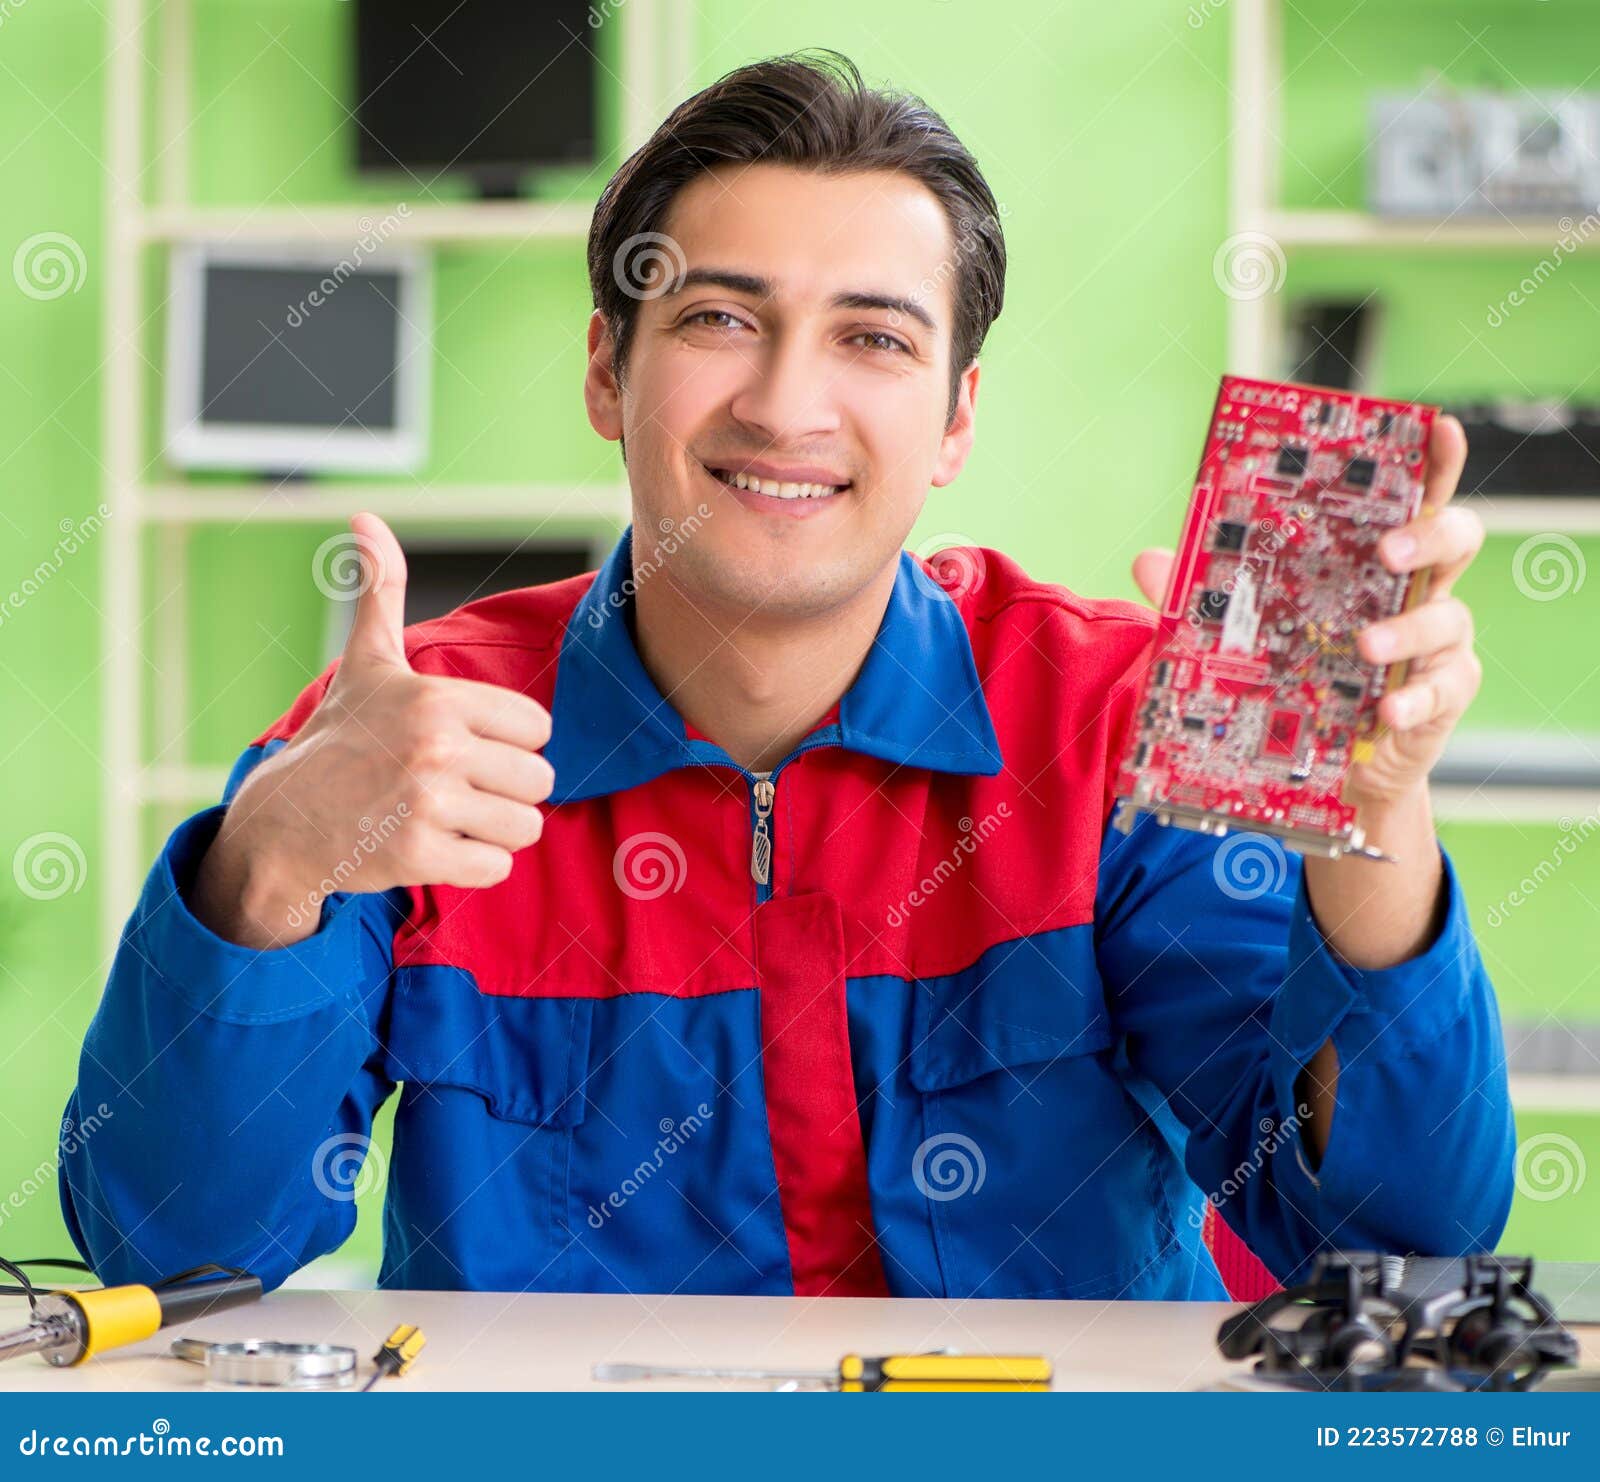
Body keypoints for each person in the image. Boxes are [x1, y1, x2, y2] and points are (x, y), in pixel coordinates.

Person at [60, 51, 1510, 1299]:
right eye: (717, 319)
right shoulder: (408, 737)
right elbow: (174, 1248)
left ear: (954, 422)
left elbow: (1393, 1244)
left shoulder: (1108, 723)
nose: (785, 403)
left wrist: (1372, 809)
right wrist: (266, 866)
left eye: (872, 338)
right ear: (605, 373)